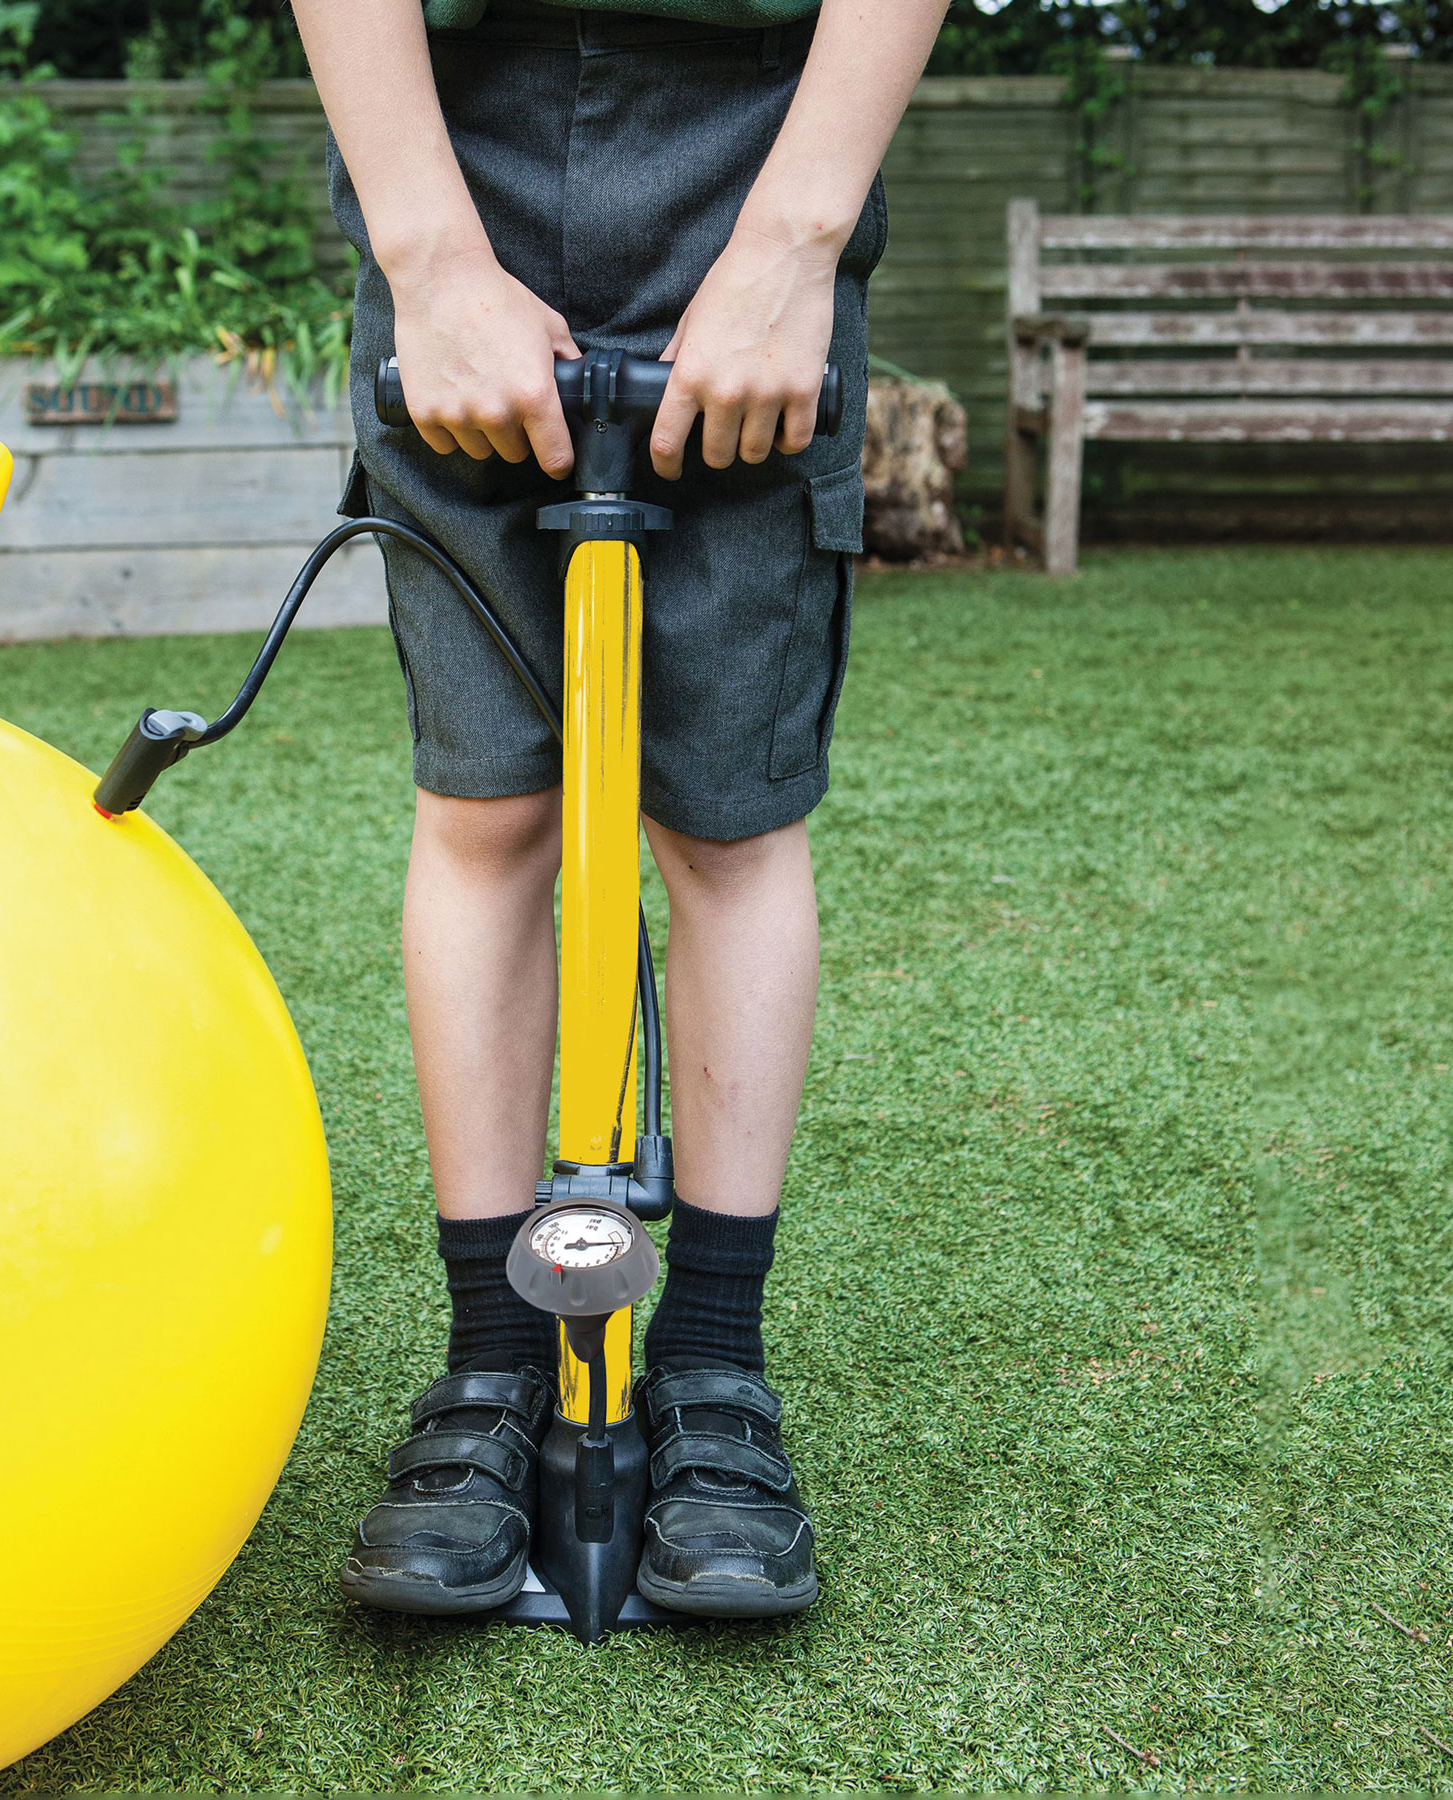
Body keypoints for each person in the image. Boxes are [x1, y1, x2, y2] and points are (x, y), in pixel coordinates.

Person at [289, 0, 949, 1619]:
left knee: (729, 822)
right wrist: (430, 260)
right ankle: (493, 1364)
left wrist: (794, 241)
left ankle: (716, 1366)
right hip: (452, 142)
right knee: (489, 809)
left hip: (765, 140)